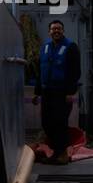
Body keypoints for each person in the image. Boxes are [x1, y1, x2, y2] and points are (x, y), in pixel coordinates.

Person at [33, 20, 81, 164]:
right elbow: (40, 71)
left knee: (60, 123)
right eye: (53, 29)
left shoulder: (70, 47)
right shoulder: (45, 47)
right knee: (47, 122)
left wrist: (70, 92)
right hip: (47, 92)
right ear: (49, 31)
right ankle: (55, 152)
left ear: (63, 31)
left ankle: (63, 154)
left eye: (59, 29)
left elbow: (75, 71)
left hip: (61, 92)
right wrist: (37, 92)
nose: (56, 31)